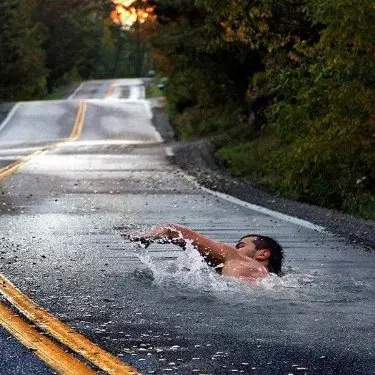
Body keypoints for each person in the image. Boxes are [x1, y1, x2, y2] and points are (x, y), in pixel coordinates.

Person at [122, 224, 284, 282]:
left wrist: (145, 237)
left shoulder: (236, 258)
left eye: (241, 246)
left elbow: (174, 231)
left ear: (263, 254)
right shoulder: (269, 279)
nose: (236, 249)